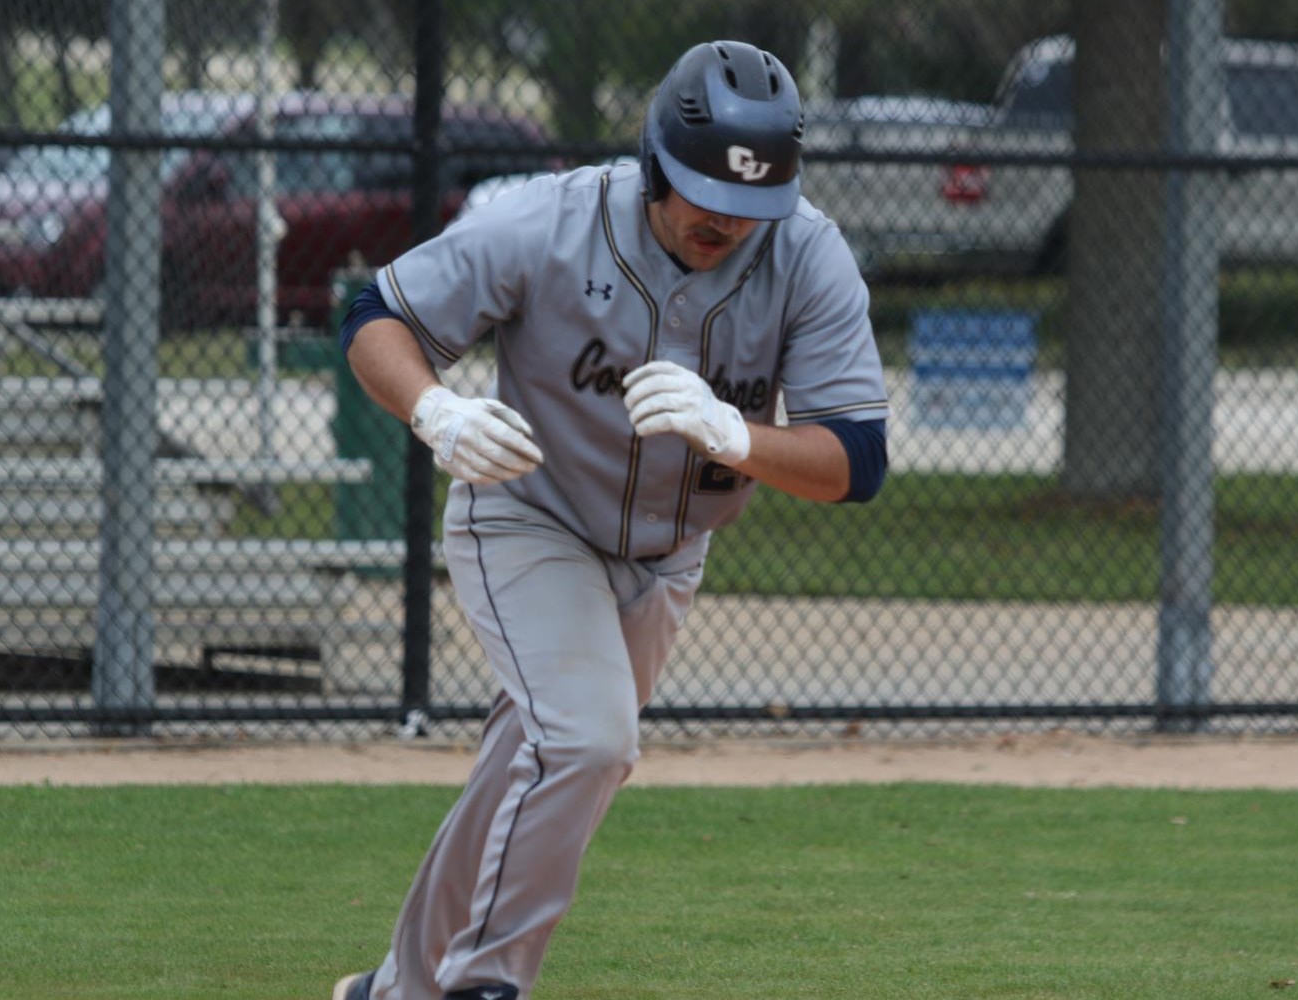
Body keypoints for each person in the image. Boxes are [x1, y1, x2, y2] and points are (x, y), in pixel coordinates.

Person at [330, 39, 890, 1000]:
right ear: (654, 163)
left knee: (541, 759)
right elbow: (374, 312)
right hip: (529, 521)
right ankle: (483, 984)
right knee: (588, 742)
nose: (725, 219)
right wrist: (437, 411)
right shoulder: (549, 221)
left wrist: (741, 437)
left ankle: (394, 992)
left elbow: (859, 461)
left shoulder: (806, 253)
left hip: (667, 557)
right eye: (704, 191)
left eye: (751, 203)